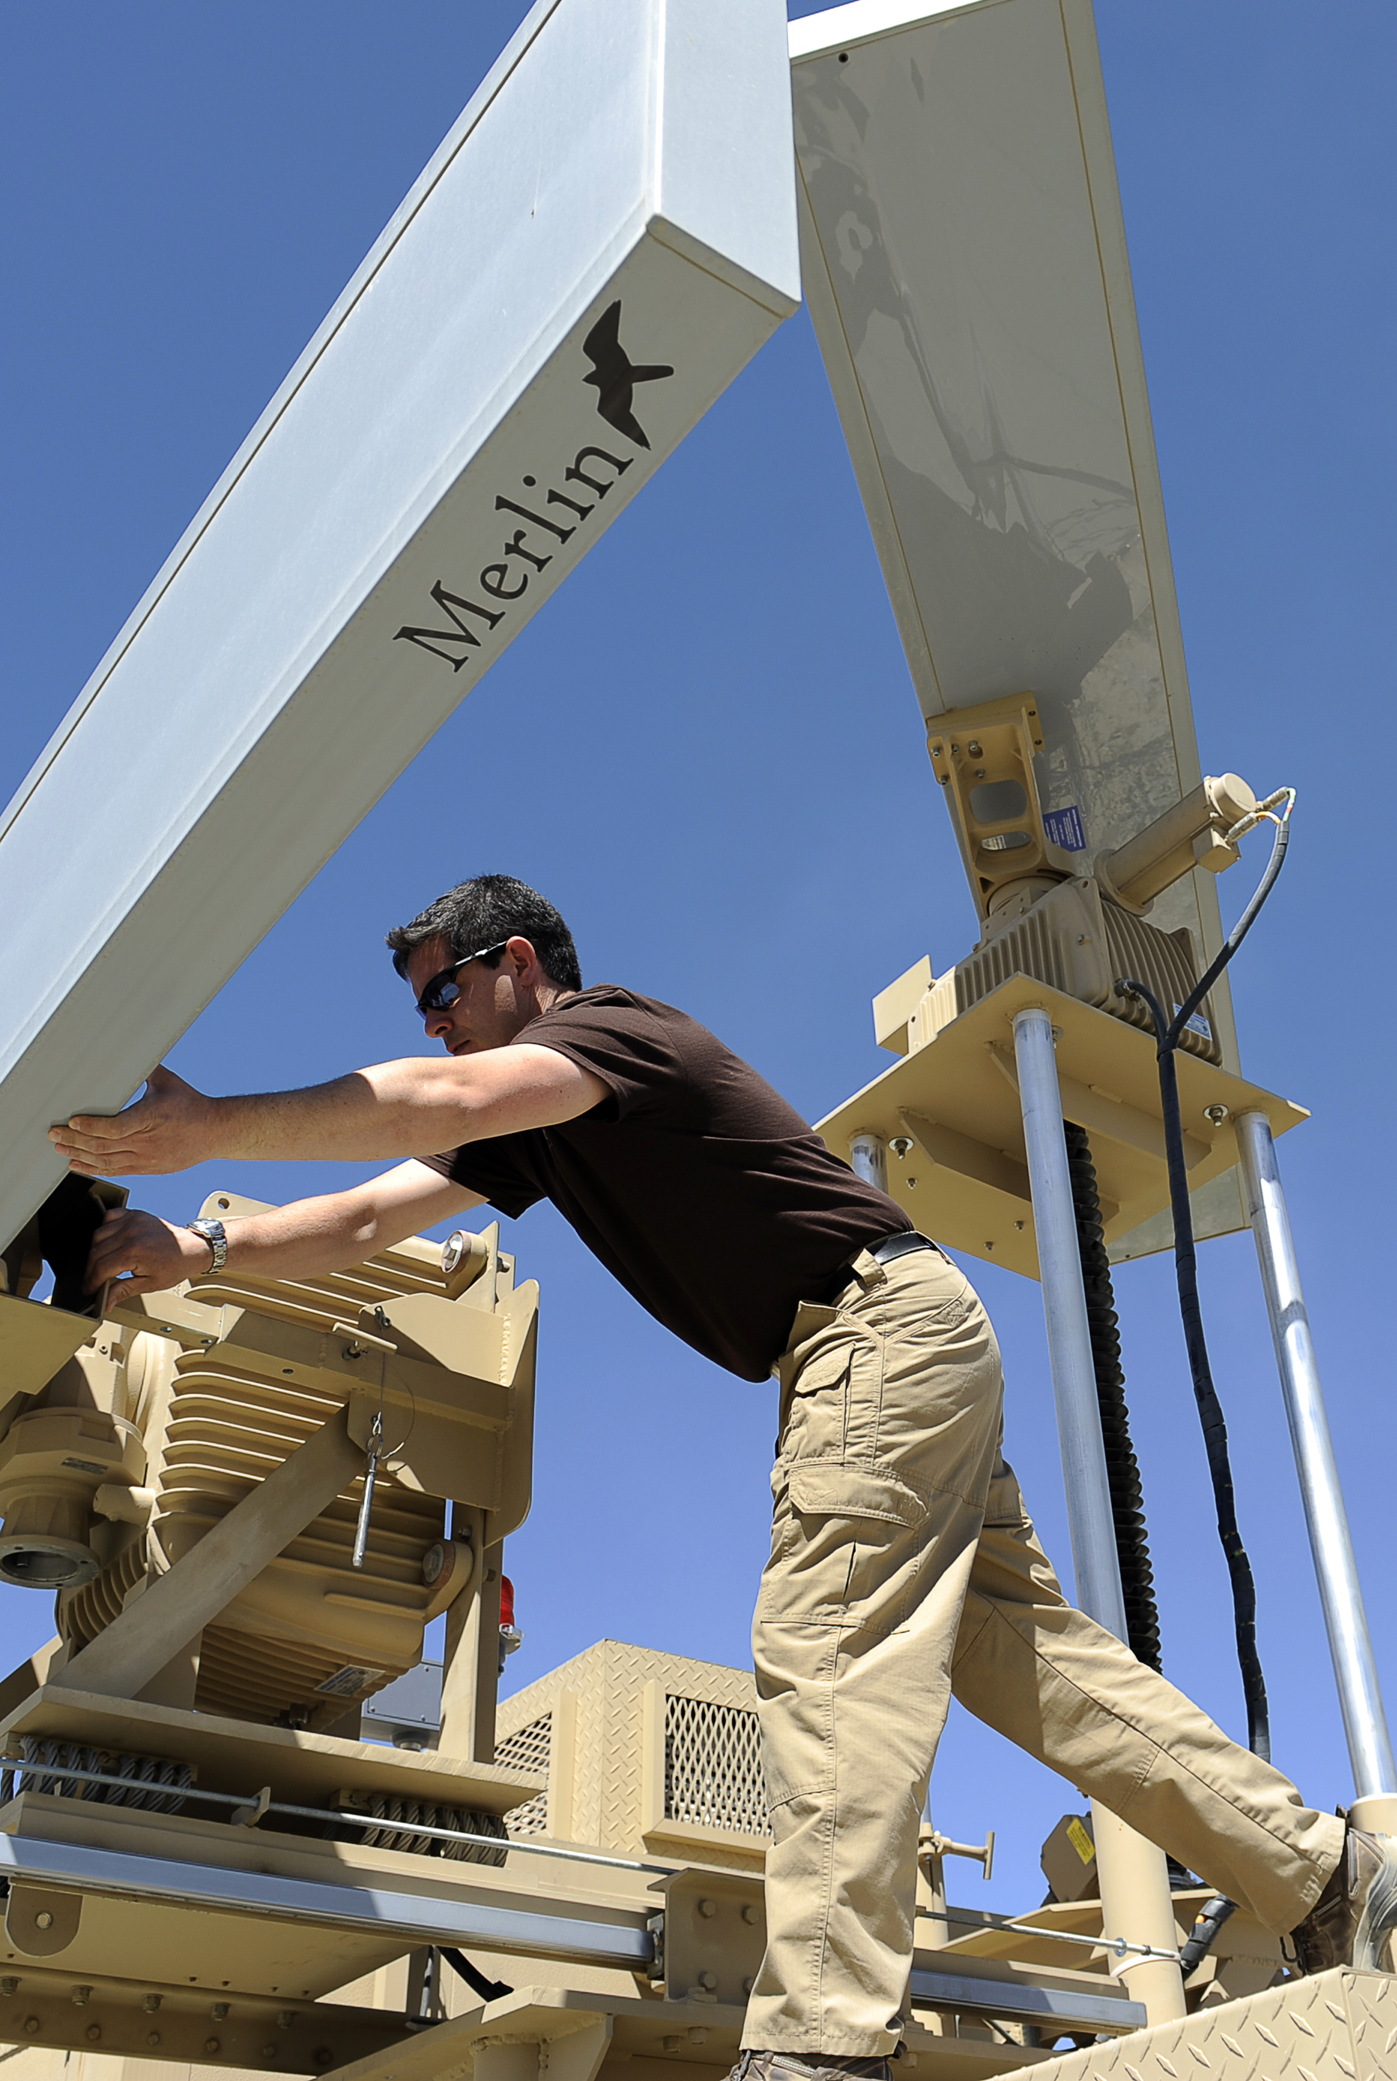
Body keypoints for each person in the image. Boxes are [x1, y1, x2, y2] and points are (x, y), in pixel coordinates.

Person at [50, 874, 1397, 2076]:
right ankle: (1325, 1871)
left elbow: (446, 1095)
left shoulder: (607, 1035)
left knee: (824, 1649)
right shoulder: (537, 1122)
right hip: (894, 1333)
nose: (433, 1024)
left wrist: (211, 1124)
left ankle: (819, 2037)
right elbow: (365, 1212)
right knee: (1006, 1647)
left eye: (443, 992)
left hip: (868, 1336)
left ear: (518, 964)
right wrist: (204, 1254)